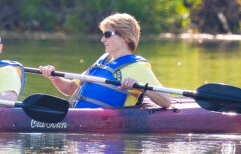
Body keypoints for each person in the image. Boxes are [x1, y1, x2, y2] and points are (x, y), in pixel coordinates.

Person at [39, 13, 172, 109]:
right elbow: (70, 89)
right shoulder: (103, 62)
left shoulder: (138, 67)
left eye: (107, 35)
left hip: (109, 131)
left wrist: (140, 86)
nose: (103, 40)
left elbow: (166, 101)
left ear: (124, 37)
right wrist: (53, 76)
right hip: (80, 121)